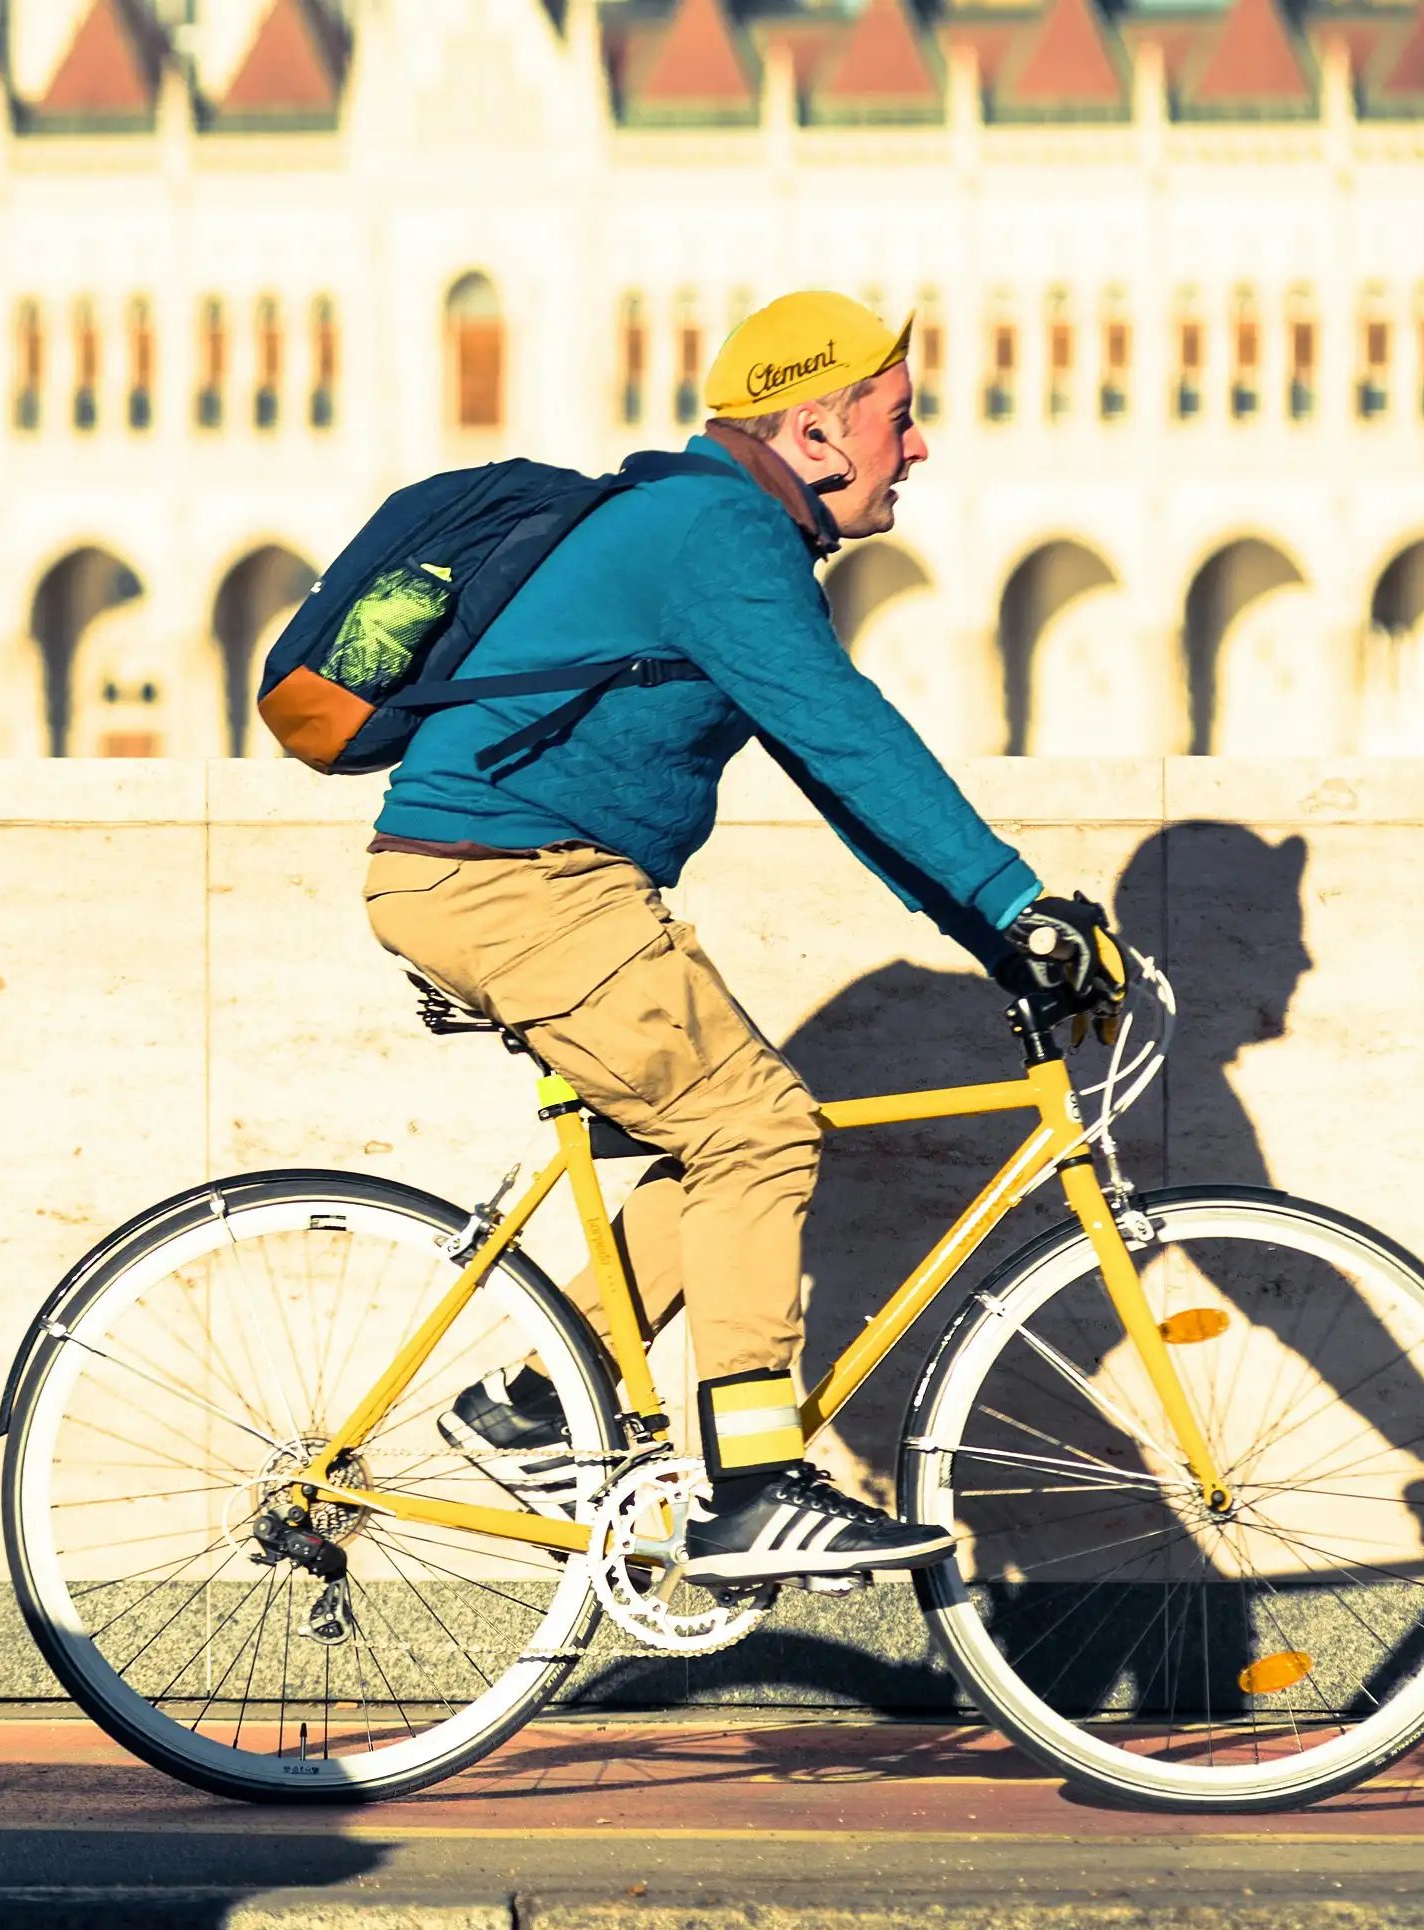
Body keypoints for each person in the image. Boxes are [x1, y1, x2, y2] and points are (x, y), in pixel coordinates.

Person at [362, 290, 1120, 1587]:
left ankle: (540, 1402)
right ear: (817, 433)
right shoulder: (720, 533)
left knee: (721, 1136)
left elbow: (838, 780)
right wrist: (1012, 902)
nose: (920, 446)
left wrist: (995, 931)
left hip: (497, 874)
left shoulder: (710, 525)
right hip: (512, 876)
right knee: (757, 1128)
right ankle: (756, 1488)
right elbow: (848, 731)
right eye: (899, 416)